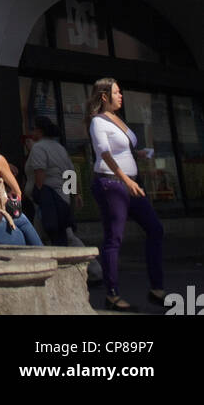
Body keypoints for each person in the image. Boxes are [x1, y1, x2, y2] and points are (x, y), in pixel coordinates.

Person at [86, 76, 165, 312]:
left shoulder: (117, 120)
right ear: (104, 96)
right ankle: (111, 294)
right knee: (114, 238)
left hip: (130, 184)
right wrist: (126, 179)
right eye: (117, 92)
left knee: (155, 229)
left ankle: (157, 288)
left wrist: (138, 155)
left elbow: (122, 150)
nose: (121, 96)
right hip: (112, 184)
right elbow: (105, 154)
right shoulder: (97, 122)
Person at [24, 117, 81, 247]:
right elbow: (70, 172)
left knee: (55, 233)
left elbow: (40, 174)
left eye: (34, 129)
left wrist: (38, 194)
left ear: (39, 131)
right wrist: (75, 195)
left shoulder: (38, 148)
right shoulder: (59, 148)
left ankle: (92, 265)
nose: (32, 133)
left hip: (48, 198)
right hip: (62, 195)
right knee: (63, 232)